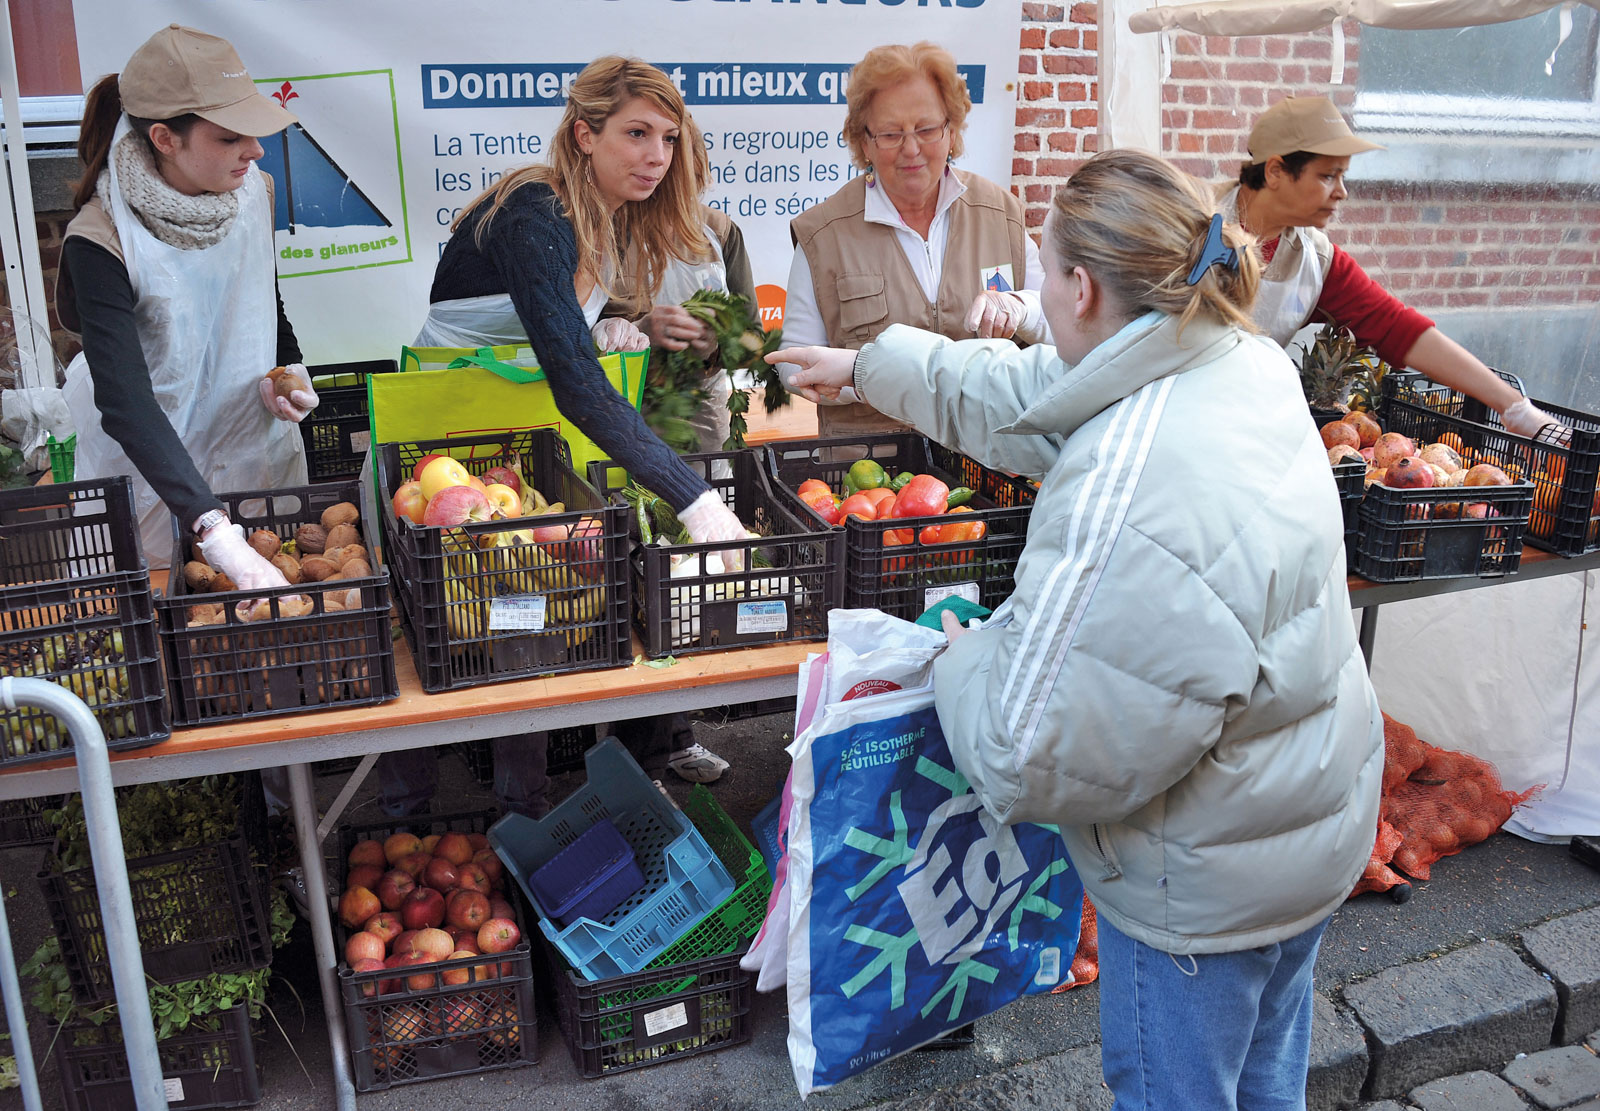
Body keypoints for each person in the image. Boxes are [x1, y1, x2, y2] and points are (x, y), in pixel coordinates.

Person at [771, 149, 1383, 1111]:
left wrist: (962, 649)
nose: (1034, 297)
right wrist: (869, 364)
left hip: (1201, 890)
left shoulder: (1131, 484)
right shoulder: (1230, 355)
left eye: (1041, 272)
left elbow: (1025, 751)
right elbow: (1036, 398)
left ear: (1081, 287)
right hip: (1297, 825)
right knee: (1266, 1090)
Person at [378, 57, 747, 818]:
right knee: (419, 641)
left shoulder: (606, 219)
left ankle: (525, 818)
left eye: (669, 139)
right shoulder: (535, 212)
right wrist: (695, 498)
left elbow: (552, 338)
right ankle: (405, 823)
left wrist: (618, 324)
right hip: (435, 454)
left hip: (506, 458)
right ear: (584, 134)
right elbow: (576, 384)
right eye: (635, 133)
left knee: (520, 620)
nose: (656, 156)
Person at [56, 24, 315, 583]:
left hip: (251, 451)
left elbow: (261, 299)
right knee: (170, 612)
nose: (256, 149)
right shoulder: (100, 237)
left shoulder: (255, 192)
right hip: (151, 474)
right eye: (230, 137)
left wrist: (286, 369)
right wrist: (214, 530)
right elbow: (124, 399)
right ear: (164, 139)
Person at [1225, 95, 1563, 437]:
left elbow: (1398, 328)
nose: (1342, 192)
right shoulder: (1188, 227)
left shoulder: (1317, 261)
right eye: (1329, 175)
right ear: (1276, 172)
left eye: (1343, 176)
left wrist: (1515, 408)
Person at [772, 41, 1052, 437]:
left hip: (988, 464)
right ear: (864, 142)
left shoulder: (1001, 215)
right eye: (891, 133)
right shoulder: (823, 234)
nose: (911, 149)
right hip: (871, 479)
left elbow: (1061, 325)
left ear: (951, 131)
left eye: (926, 129)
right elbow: (794, 363)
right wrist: (863, 377)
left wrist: (1021, 307)